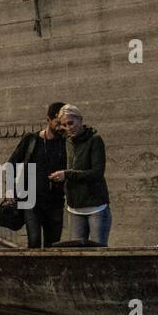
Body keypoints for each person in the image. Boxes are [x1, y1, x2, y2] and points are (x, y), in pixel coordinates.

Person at [4, 102, 67, 248]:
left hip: (55, 202)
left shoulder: (65, 143)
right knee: (34, 242)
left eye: (63, 124)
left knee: (53, 246)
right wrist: (9, 191)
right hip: (31, 201)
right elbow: (11, 164)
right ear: (48, 119)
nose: (61, 128)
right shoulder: (31, 140)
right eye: (58, 123)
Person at [48, 104, 111, 245]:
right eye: (64, 125)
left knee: (98, 254)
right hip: (75, 208)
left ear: (80, 120)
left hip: (96, 207)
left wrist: (67, 175)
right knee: (77, 255)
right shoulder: (68, 142)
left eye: (71, 123)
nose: (68, 127)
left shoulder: (95, 140)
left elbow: (97, 173)